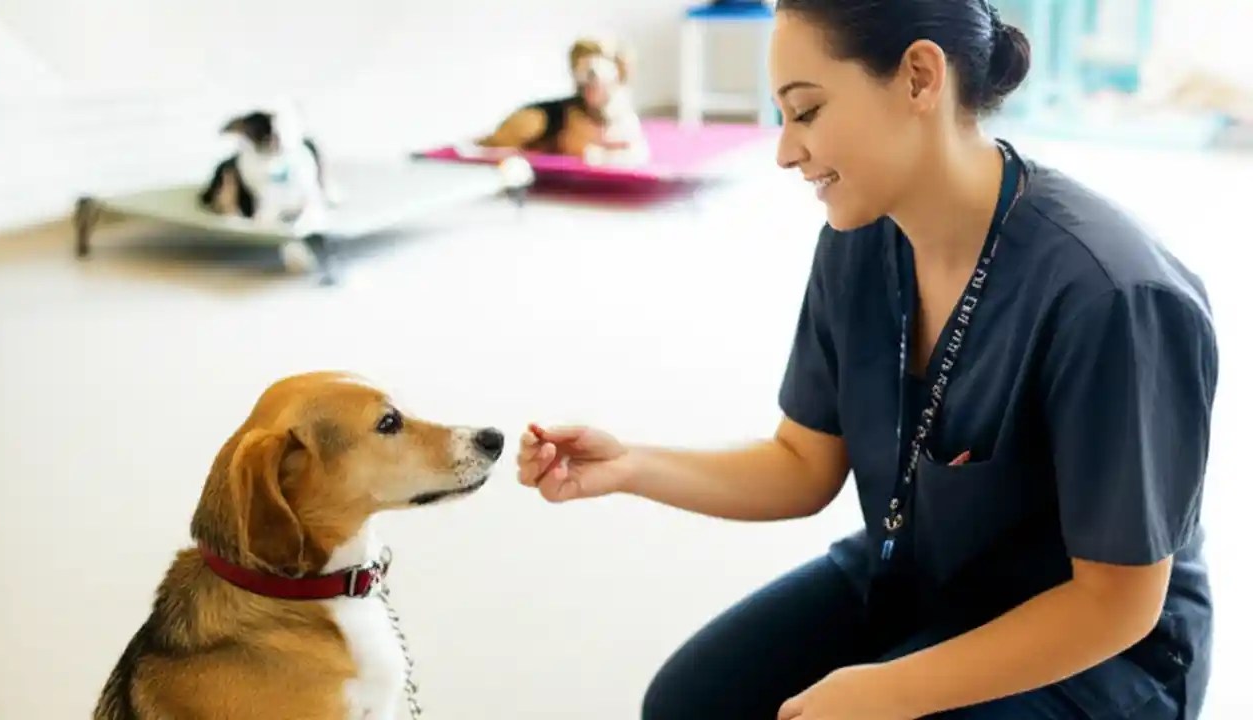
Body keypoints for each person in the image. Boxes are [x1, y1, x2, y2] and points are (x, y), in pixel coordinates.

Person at [515, 0, 1219, 717]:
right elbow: (802, 462)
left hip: (1094, 655)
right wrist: (632, 465)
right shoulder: (860, 235)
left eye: (808, 111)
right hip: (920, 576)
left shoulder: (1112, 295)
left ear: (918, 77)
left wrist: (890, 689)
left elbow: (1117, 604)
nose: (786, 151)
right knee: (689, 703)